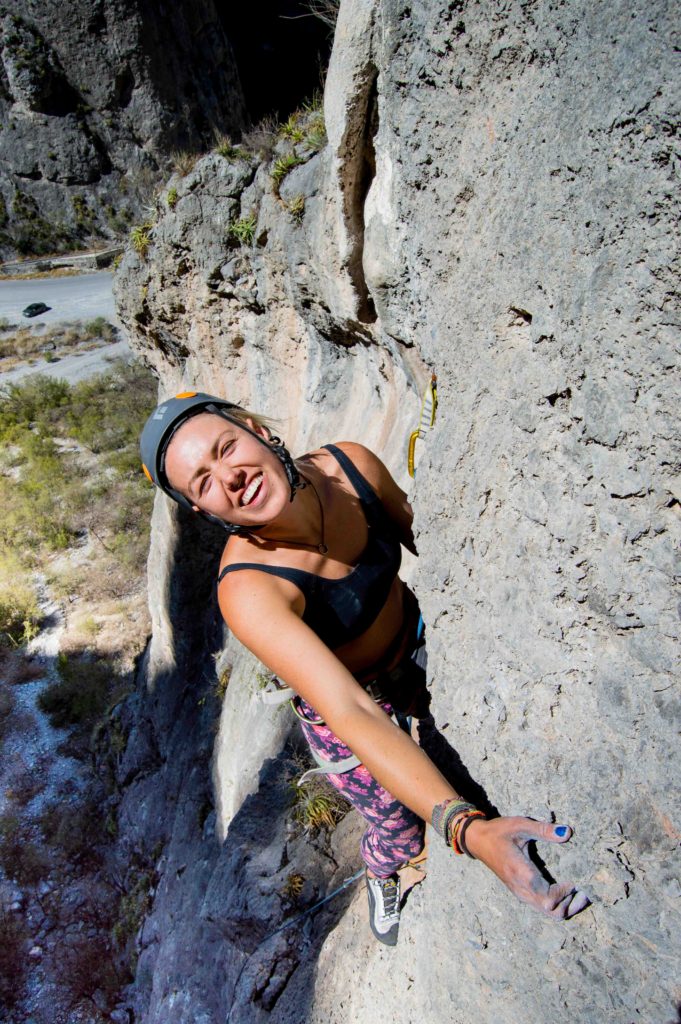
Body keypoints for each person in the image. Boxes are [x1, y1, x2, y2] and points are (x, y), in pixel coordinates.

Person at [140, 392, 589, 945]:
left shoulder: (351, 467)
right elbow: (349, 708)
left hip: (416, 649)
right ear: (203, 511)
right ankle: (383, 871)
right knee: (401, 831)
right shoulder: (250, 588)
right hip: (350, 707)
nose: (229, 477)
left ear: (256, 430)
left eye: (226, 447)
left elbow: (445, 548)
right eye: (203, 482)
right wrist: (469, 832)